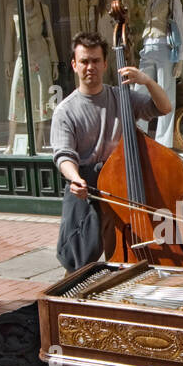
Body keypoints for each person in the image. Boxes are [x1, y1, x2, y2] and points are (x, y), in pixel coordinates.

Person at [50, 31, 172, 270]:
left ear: (105, 64)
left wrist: (146, 81)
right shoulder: (65, 111)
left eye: (96, 61)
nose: (90, 67)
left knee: (123, 257)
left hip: (122, 185)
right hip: (89, 186)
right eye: (84, 61)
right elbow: (64, 155)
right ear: (75, 65)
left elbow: (164, 107)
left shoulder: (121, 97)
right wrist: (75, 179)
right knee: (80, 264)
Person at [137, 0, 183, 149]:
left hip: (165, 48)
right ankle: (139, 133)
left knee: (166, 92)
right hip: (147, 48)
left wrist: (179, 58)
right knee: (139, 90)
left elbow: (179, 28)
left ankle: (163, 142)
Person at [5, 0, 54, 153]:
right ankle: (10, 143)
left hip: (41, 55)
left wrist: (55, 61)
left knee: (41, 97)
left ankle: (39, 141)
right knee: (15, 98)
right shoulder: (12, 8)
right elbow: (8, 36)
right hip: (21, 55)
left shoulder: (42, 8)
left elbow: (49, 35)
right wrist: (7, 61)